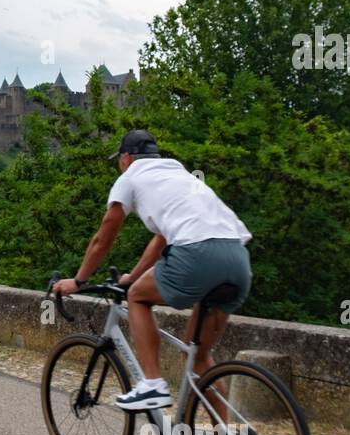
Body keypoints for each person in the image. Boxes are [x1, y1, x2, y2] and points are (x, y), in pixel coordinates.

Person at [51, 130, 252, 411]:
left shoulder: (130, 177)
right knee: (200, 357)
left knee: (137, 297)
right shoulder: (179, 174)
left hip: (197, 253)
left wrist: (79, 280)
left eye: (119, 160)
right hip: (238, 258)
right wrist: (133, 275)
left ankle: (153, 385)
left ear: (126, 158)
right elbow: (161, 239)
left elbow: (104, 236)